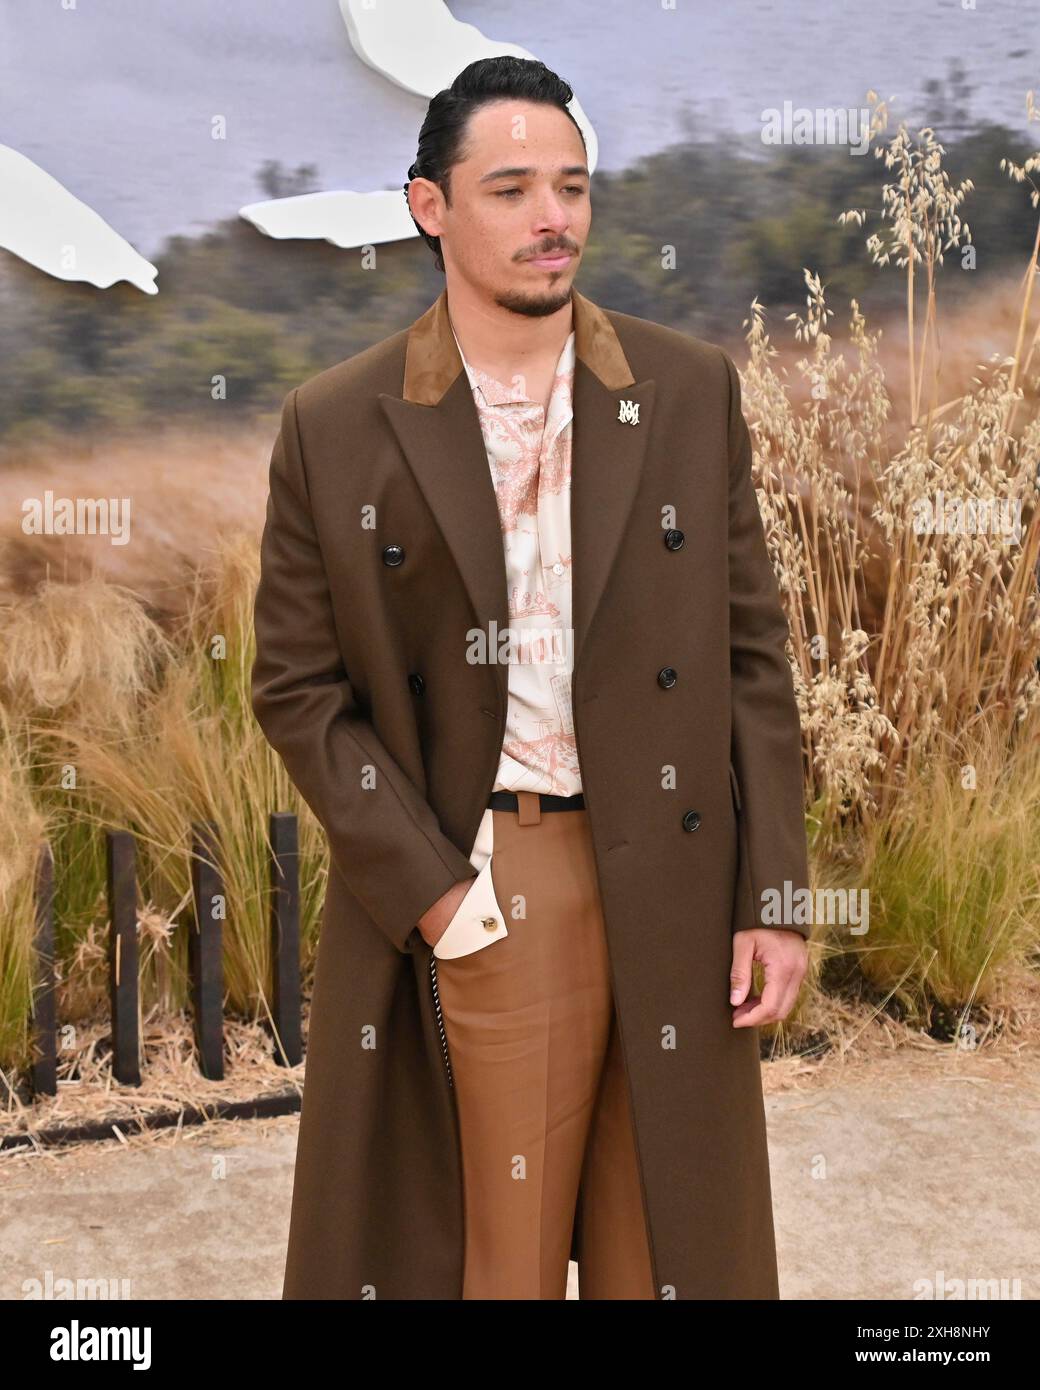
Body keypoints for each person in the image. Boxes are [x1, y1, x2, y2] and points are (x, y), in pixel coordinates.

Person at [250, 54, 810, 1301]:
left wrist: (772, 888)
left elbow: (750, 654)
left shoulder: (683, 390)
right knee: (492, 1265)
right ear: (428, 207)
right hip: (494, 886)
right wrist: (434, 892)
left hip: (673, 874)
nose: (551, 217)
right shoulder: (336, 421)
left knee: (663, 1252)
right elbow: (294, 686)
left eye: (570, 185)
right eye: (509, 188)